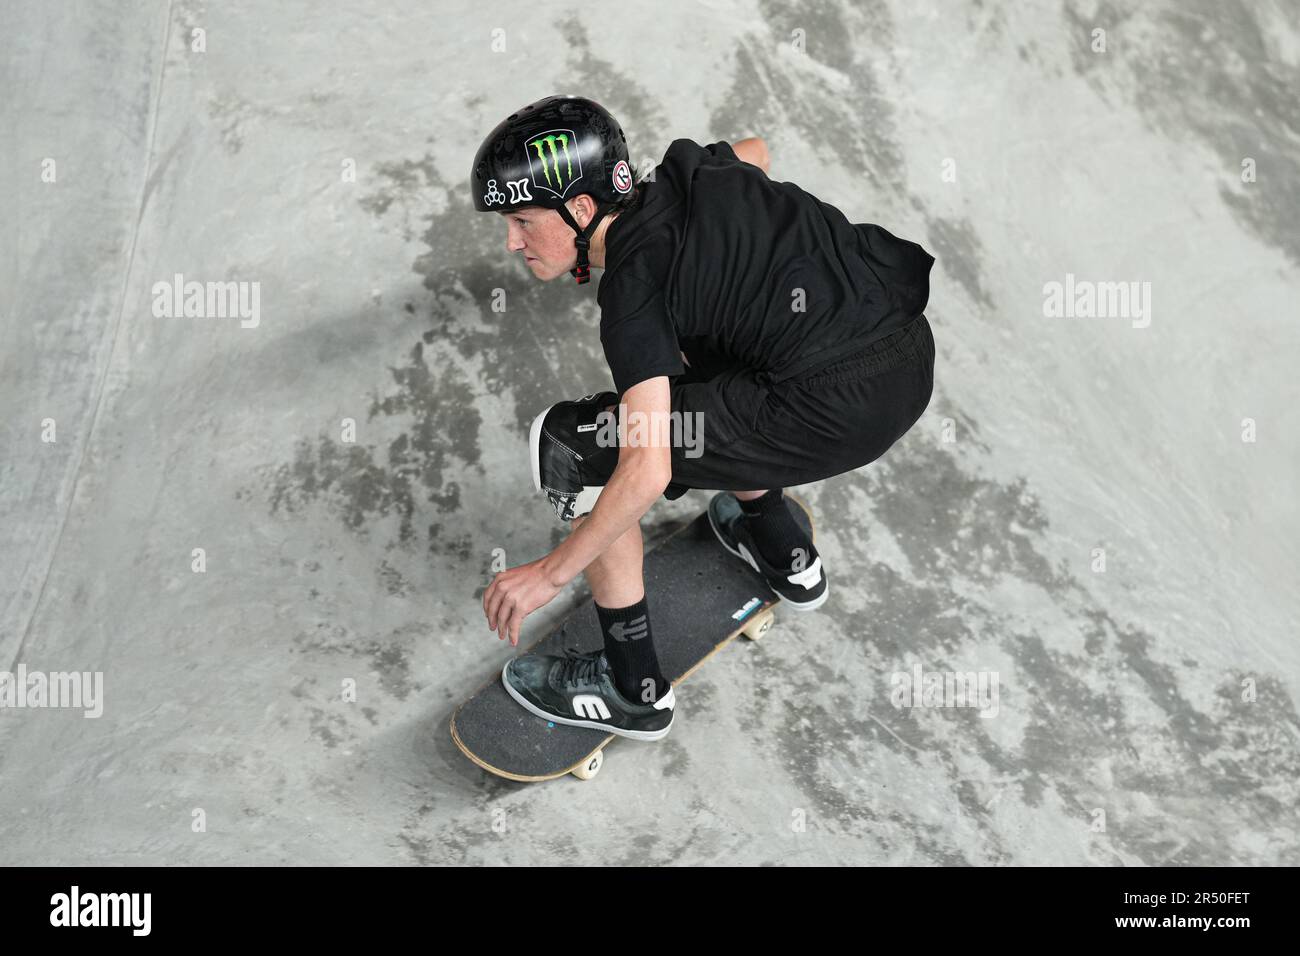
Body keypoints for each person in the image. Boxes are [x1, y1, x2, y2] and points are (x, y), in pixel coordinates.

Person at [473, 94, 935, 742]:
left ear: (580, 209)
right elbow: (758, 152)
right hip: (909, 351)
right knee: (710, 355)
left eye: (522, 220)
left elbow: (646, 467)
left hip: (831, 411)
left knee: (577, 448)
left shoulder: (633, 295)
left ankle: (630, 690)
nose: (512, 241)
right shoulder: (699, 171)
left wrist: (547, 576)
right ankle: (783, 551)